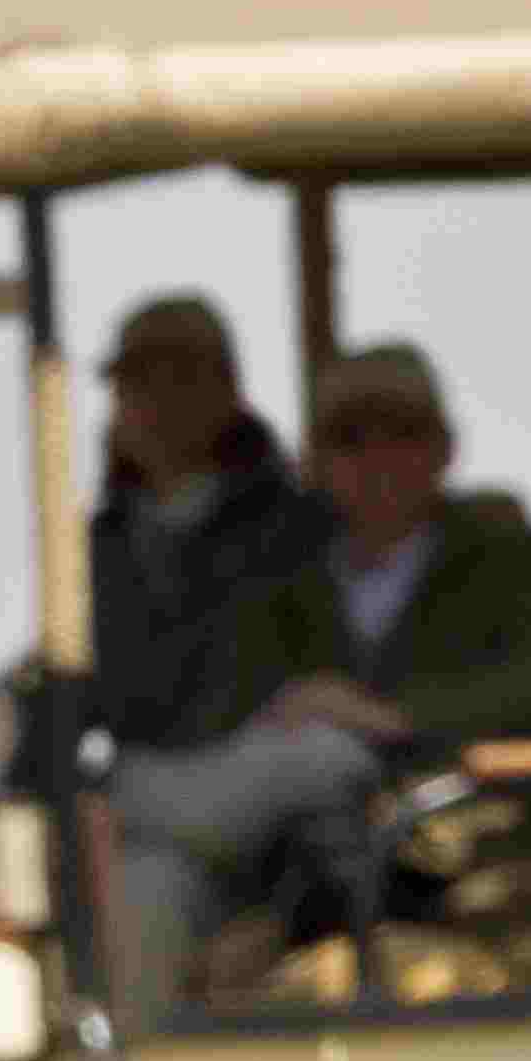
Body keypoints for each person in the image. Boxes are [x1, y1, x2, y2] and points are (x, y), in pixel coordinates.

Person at [100, 342, 531, 1011]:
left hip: (472, 858)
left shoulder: (513, 564)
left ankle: (112, 807)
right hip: (305, 866)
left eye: (403, 434)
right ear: (316, 461)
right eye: (350, 439)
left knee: (317, 757)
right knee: (149, 881)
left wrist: (393, 715)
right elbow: (224, 707)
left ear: (445, 449)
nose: (378, 460)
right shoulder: (287, 582)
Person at [86, 292, 327, 755]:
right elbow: (99, 688)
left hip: (273, 779)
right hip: (138, 790)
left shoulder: (297, 525)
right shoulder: (101, 542)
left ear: (228, 392)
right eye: (136, 384)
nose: (156, 405)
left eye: (179, 380)